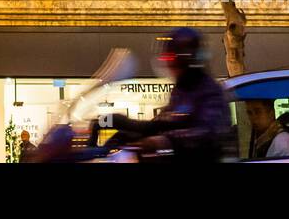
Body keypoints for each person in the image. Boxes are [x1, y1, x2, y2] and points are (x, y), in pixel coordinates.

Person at [99, 27, 231, 163]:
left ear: (187, 60)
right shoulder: (180, 91)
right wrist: (124, 129)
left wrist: (164, 141)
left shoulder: (210, 92)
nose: (169, 65)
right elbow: (160, 124)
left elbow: (208, 133)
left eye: (172, 59)